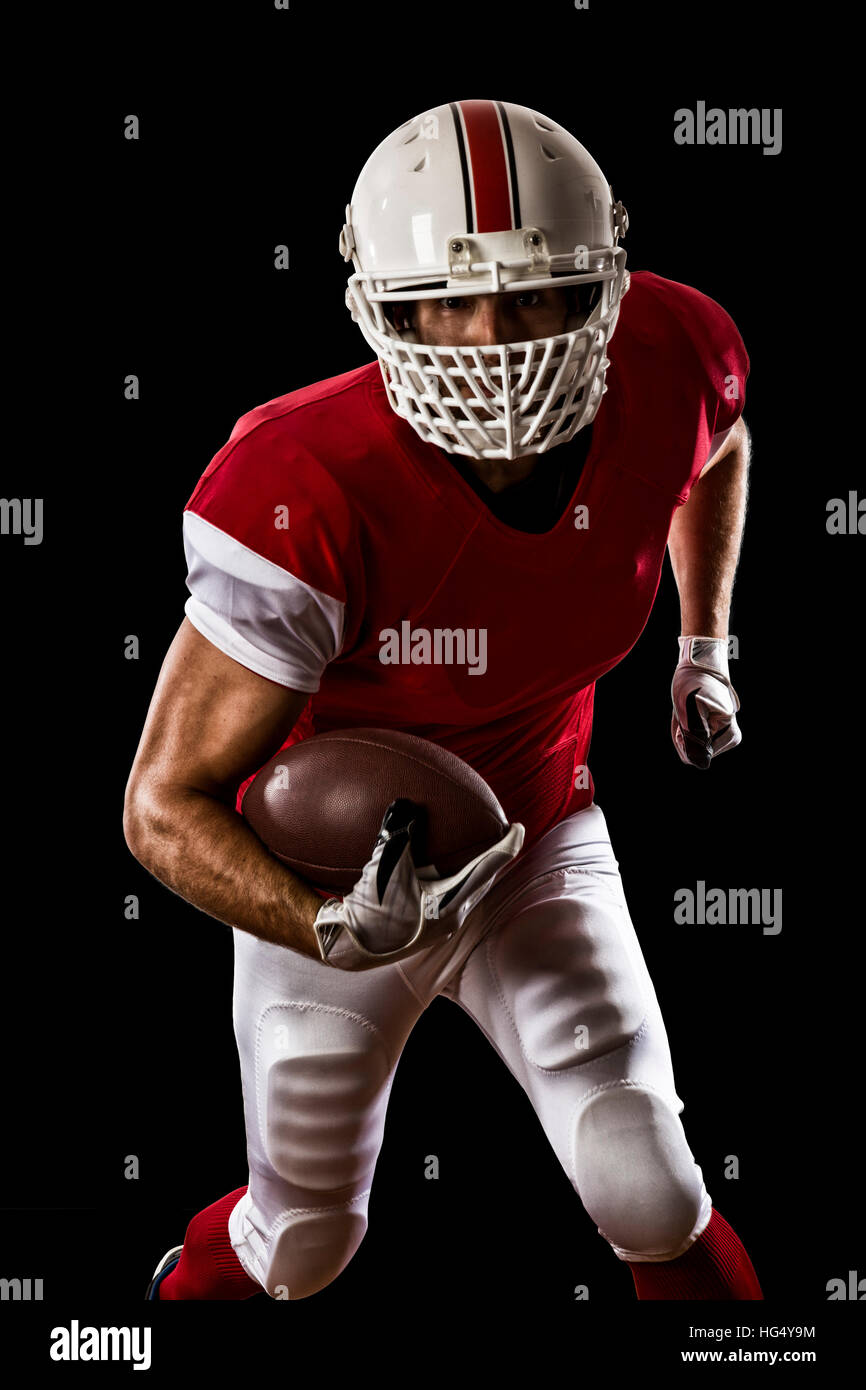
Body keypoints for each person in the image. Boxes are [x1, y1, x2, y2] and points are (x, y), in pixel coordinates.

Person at [125, 98, 762, 1301]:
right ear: (382, 305)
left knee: (649, 1182)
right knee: (302, 1245)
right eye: (449, 301)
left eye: (533, 294)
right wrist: (321, 925)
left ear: (601, 289)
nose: (490, 342)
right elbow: (160, 806)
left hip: (535, 828)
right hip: (338, 873)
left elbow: (717, 445)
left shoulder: (675, 353)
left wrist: (704, 642)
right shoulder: (300, 481)